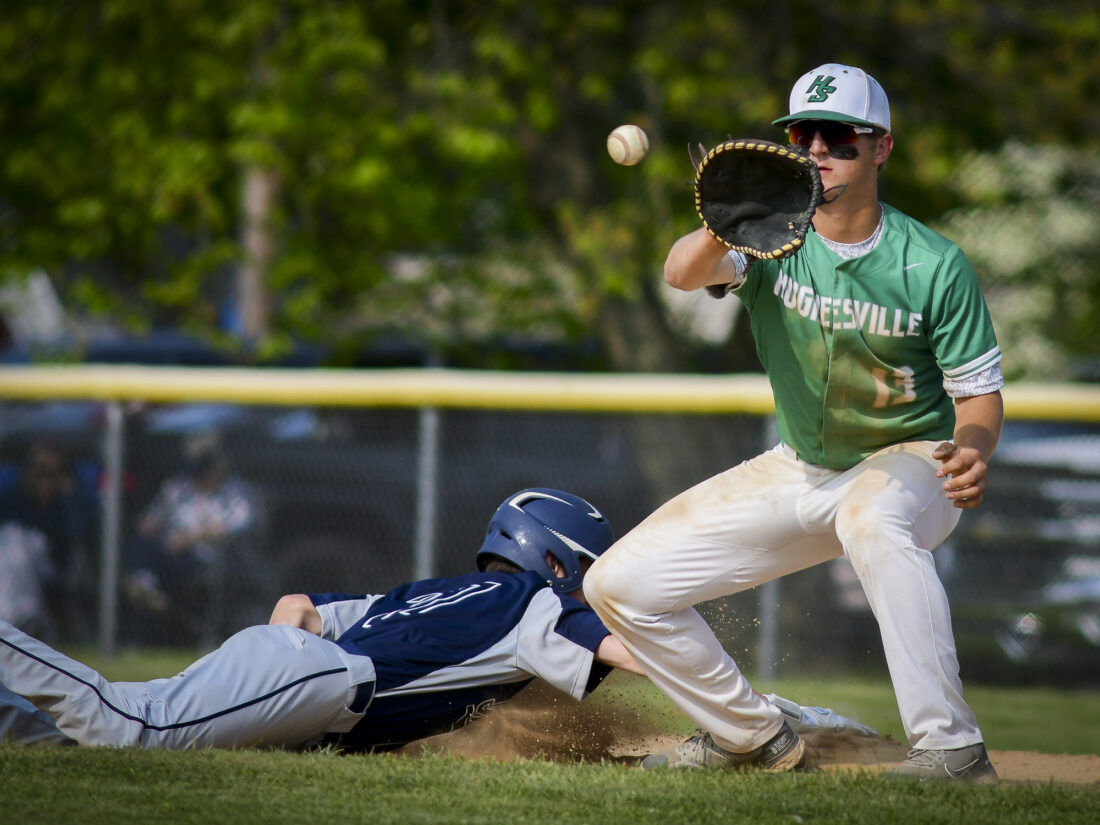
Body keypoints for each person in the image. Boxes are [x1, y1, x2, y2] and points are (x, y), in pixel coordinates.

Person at [583, 63, 1004, 782]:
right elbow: (681, 274)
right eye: (803, 134)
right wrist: (722, 229)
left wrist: (972, 447)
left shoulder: (933, 263)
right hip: (801, 464)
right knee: (617, 585)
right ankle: (750, 735)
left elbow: (979, 392)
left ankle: (952, 747)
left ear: (881, 149)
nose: (816, 148)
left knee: (872, 517)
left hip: (907, 463)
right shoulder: (774, 236)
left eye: (839, 137)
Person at [0, 487, 875, 752]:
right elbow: (639, 650)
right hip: (323, 681)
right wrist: (743, 707)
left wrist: (287, 660)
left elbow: (294, 606)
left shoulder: (436, 590)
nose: (594, 586)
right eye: (592, 571)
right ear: (562, 563)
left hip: (293, 662)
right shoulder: (539, 602)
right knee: (126, 727)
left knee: (64, 741)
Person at [125, 432, 268, 645]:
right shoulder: (176, 489)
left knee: (179, 560)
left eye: (202, 472)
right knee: (142, 546)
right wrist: (149, 526)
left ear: (218, 467)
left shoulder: (236, 493)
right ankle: (146, 587)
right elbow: (150, 523)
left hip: (212, 560)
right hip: (171, 556)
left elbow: (238, 527)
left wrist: (192, 537)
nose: (197, 479)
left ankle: (148, 588)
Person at [0, 439, 98, 640]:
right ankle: (22, 620)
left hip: (53, 566)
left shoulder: (67, 504)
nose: (45, 478)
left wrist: (69, 496)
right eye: (40, 470)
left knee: (19, 546)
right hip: (13, 569)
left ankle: (22, 622)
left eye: (53, 472)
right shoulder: (14, 499)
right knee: (15, 540)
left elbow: (77, 536)